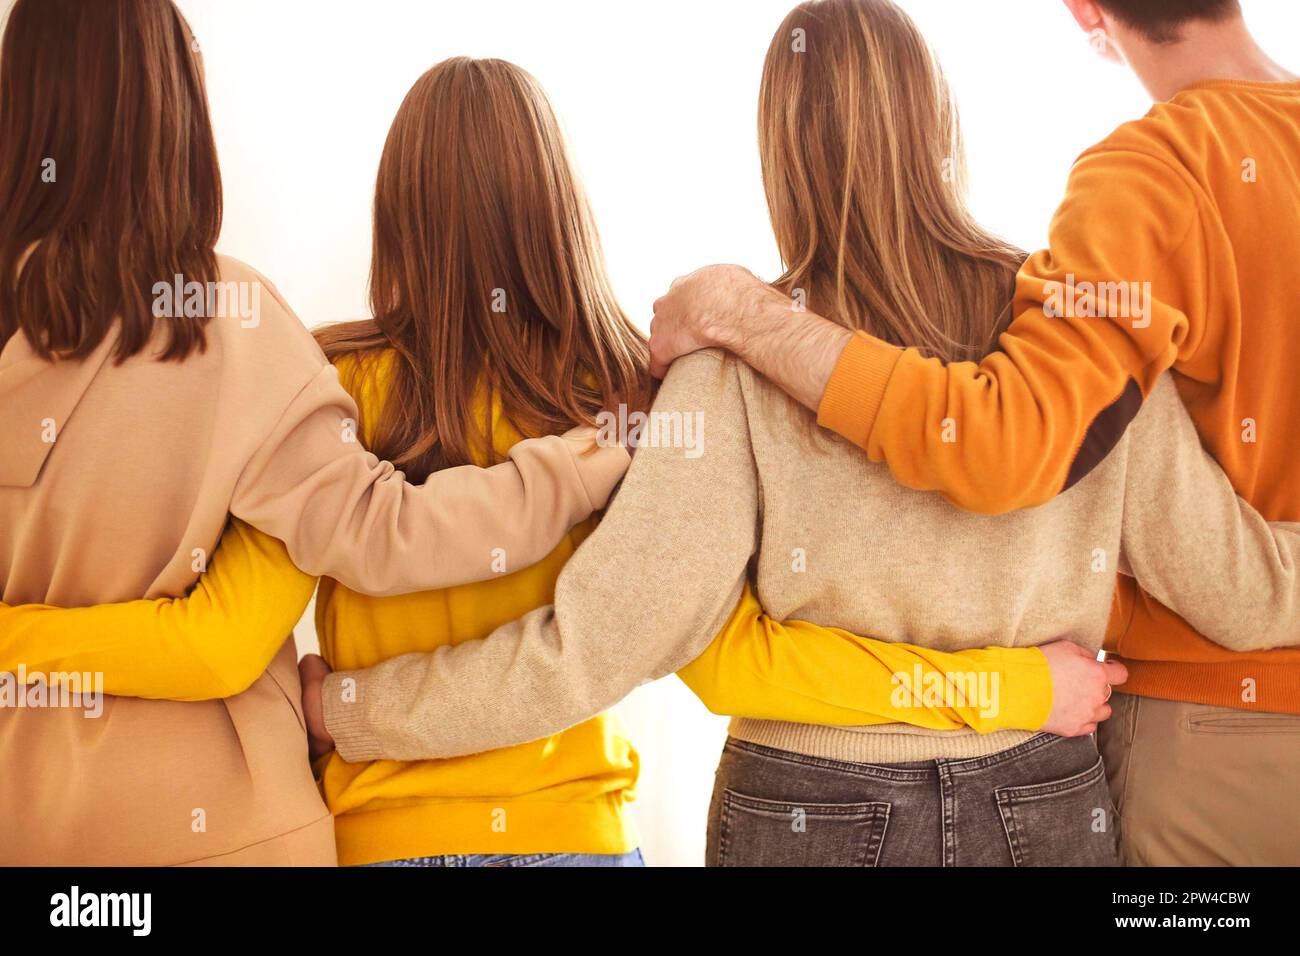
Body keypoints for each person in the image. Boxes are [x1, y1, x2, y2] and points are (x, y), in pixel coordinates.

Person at [277, 0, 1295, 867]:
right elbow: (1239, 591)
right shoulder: (1068, 330)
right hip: (1041, 791)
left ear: (778, 149)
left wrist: (353, 708)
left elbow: (593, 649)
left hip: (810, 801)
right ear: (938, 120)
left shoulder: (729, 366)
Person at [647, 0, 1300, 866]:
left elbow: (999, 445)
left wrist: (748, 319)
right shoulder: (1052, 297)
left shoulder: (1152, 176)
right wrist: (1012, 686)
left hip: (1204, 740)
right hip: (1054, 785)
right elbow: (1230, 580)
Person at [0, 0, 626, 867]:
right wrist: (598, 452)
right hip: (258, 829)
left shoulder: (345, 377)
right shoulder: (626, 400)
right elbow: (605, 638)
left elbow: (227, 631)